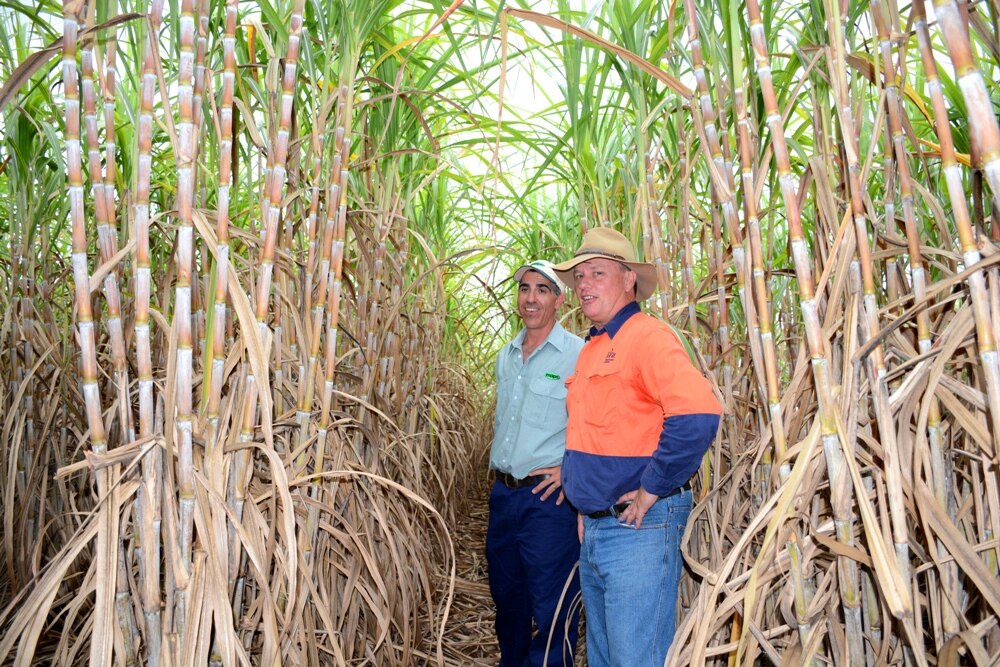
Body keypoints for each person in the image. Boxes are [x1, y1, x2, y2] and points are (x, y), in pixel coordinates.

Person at [552, 228, 721, 667]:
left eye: (597, 274)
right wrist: (584, 509)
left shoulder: (647, 337)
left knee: (635, 659)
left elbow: (699, 414)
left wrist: (652, 488)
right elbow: (591, 435)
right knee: (607, 658)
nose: (584, 285)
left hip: (637, 528)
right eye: (580, 277)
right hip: (598, 529)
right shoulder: (593, 348)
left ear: (629, 279)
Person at [486, 259, 585, 667]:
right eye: (525, 288)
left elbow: (597, 422)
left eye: (542, 289)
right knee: (508, 601)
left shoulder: (578, 354)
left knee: (553, 606)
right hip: (503, 496)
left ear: (559, 299)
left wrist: (571, 471)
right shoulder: (507, 356)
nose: (531, 298)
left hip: (548, 502)